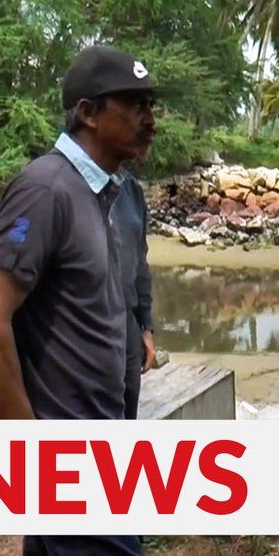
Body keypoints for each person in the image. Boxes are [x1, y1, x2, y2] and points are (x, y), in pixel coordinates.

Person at [0, 44, 159, 556]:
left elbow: (129, 277)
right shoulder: (46, 189)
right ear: (88, 112)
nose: (149, 118)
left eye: (151, 104)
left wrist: (142, 327)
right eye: (134, 104)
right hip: (68, 453)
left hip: (107, 434)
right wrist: (31, 448)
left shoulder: (117, 193)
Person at [113, 165, 157, 420]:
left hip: (126, 324)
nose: (148, 124)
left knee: (127, 411)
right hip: (81, 328)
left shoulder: (131, 190)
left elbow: (140, 263)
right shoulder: (57, 185)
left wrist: (146, 328)